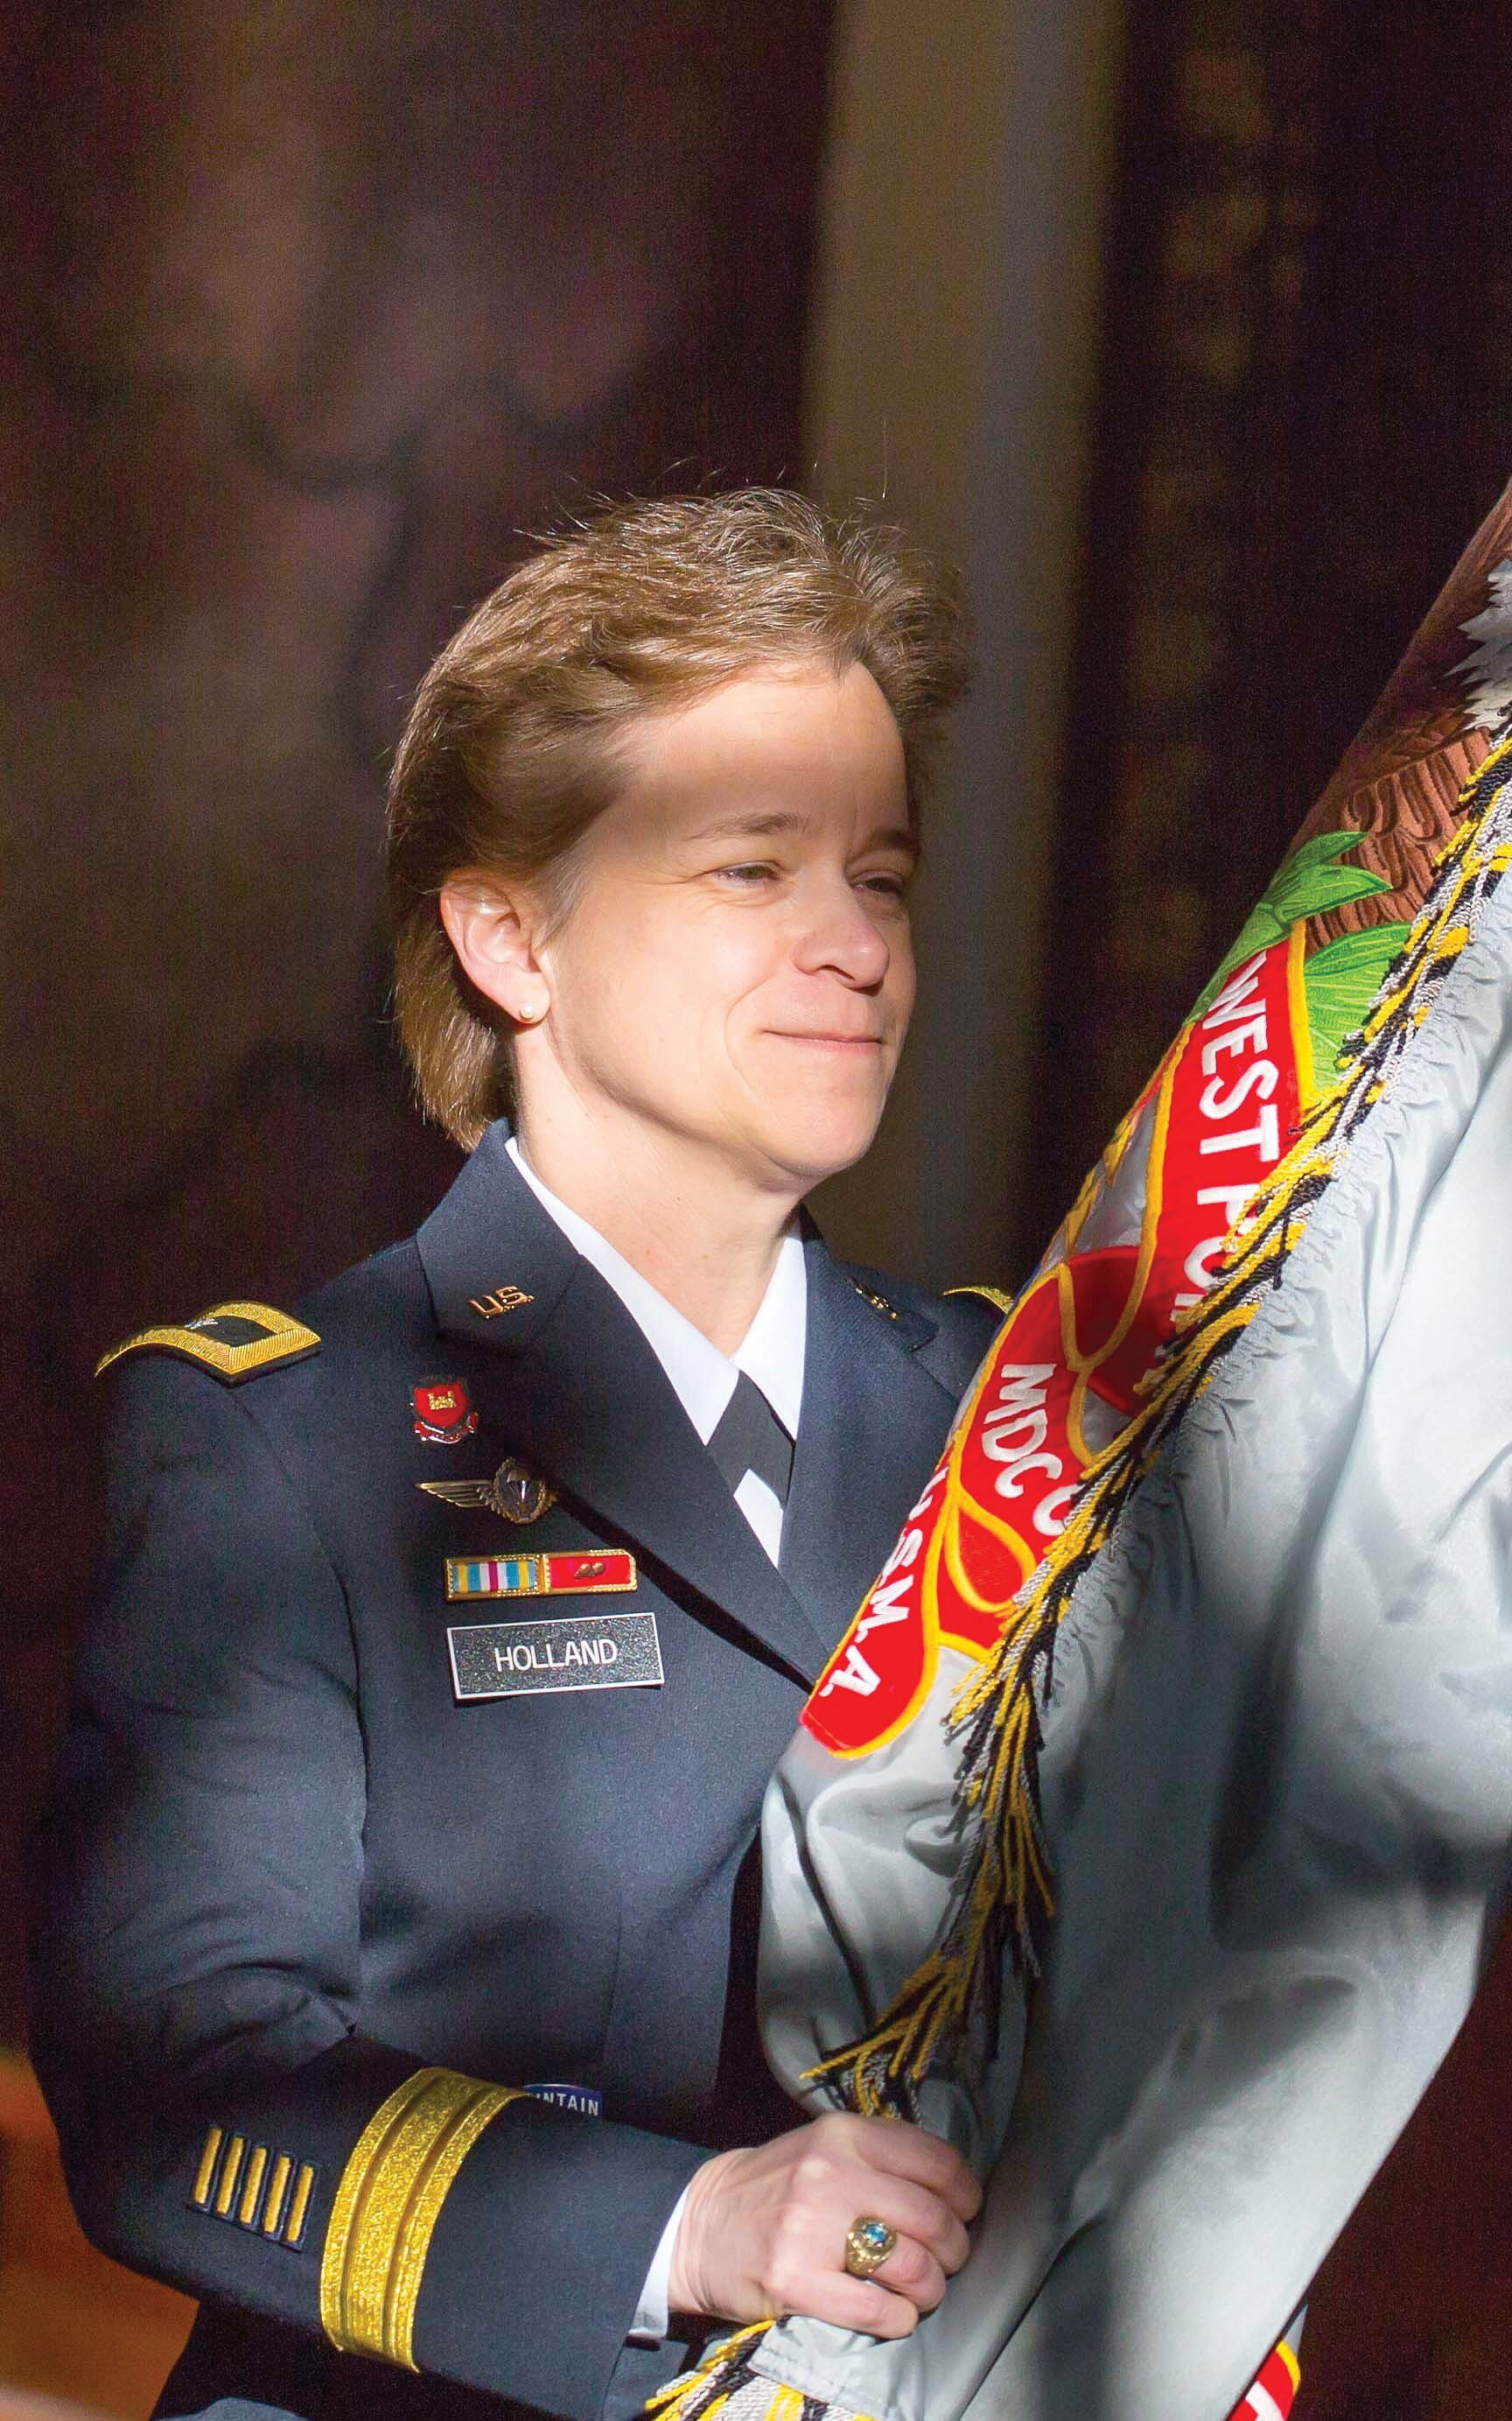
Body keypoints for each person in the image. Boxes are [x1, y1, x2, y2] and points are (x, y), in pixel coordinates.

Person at [34, 492, 1007, 2421]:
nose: (851, 948)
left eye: (881, 879)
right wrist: (684, 2226)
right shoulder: (281, 1439)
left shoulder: (1008, 1408)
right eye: (750, 869)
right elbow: (176, 2088)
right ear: (508, 938)